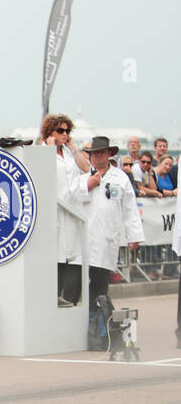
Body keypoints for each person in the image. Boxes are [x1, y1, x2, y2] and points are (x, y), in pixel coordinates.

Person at [72, 136, 142, 311]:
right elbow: (71, 200)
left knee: (99, 290)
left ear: (109, 154)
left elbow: (130, 209)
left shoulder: (120, 178)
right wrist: (88, 185)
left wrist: (134, 236)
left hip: (106, 240)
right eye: (94, 153)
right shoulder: (81, 178)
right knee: (74, 289)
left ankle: (98, 329)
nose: (98, 157)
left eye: (101, 153)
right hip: (81, 242)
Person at [38, 114, 87, 305]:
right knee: (54, 256)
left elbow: (85, 167)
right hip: (53, 211)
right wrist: (50, 148)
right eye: (60, 131)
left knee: (73, 256)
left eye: (67, 131)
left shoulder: (69, 153)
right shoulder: (42, 151)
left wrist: (73, 148)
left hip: (72, 211)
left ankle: (70, 299)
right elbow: (42, 171)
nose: (65, 134)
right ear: (50, 132)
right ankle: (52, 297)